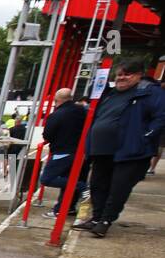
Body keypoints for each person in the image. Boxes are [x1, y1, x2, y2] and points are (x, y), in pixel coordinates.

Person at [74, 59, 165, 238]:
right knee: (98, 184)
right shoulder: (109, 93)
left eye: (127, 74)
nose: (122, 78)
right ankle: (96, 217)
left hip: (131, 151)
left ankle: (105, 221)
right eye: (119, 74)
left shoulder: (150, 92)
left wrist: (145, 137)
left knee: (118, 188)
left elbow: (160, 117)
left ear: (139, 75)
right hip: (102, 149)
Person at [37, 88, 87, 218]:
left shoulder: (57, 115)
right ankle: (63, 209)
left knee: (47, 178)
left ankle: (84, 188)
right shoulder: (83, 111)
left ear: (56, 100)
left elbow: (48, 134)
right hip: (80, 152)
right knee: (67, 181)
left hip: (62, 151)